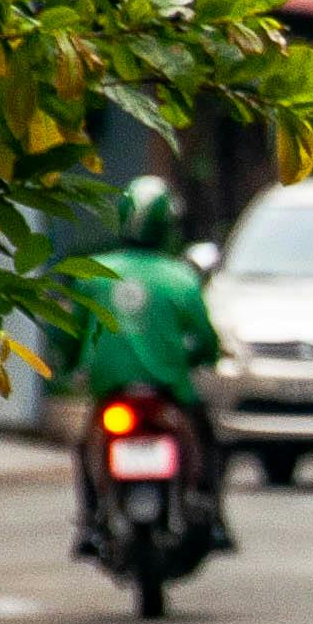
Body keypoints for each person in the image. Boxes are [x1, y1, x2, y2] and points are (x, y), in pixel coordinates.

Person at [69, 177, 230, 547]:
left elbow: (69, 334)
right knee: (208, 440)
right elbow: (206, 341)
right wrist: (198, 357)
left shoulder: (93, 272)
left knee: (86, 446)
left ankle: (89, 523)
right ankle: (216, 518)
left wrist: (76, 365)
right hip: (169, 393)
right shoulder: (181, 278)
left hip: (111, 390)